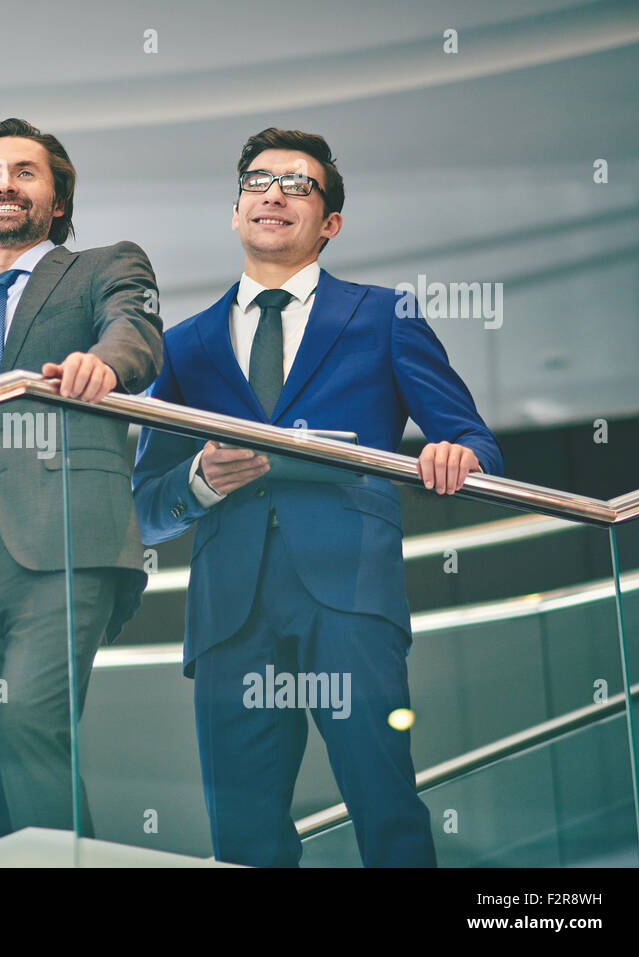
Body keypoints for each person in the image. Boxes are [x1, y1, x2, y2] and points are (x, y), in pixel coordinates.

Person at [133, 128, 503, 868]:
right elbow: (145, 503)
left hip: (351, 592)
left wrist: (455, 453)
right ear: (235, 210)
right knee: (242, 835)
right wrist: (201, 480)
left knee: (385, 804)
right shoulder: (183, 343)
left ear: (329, 223)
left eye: (298, 185)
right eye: (257, 181)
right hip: (228, 614)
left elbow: (477, 444)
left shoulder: (383, 314)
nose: (274, 193)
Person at [0, 118, 162, 837]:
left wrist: (106, 363)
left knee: (32, 720)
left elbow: (136, 328)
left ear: (57, 201)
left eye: (24, 172)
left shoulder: (103, 266)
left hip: (61, 543)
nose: (4, 184)